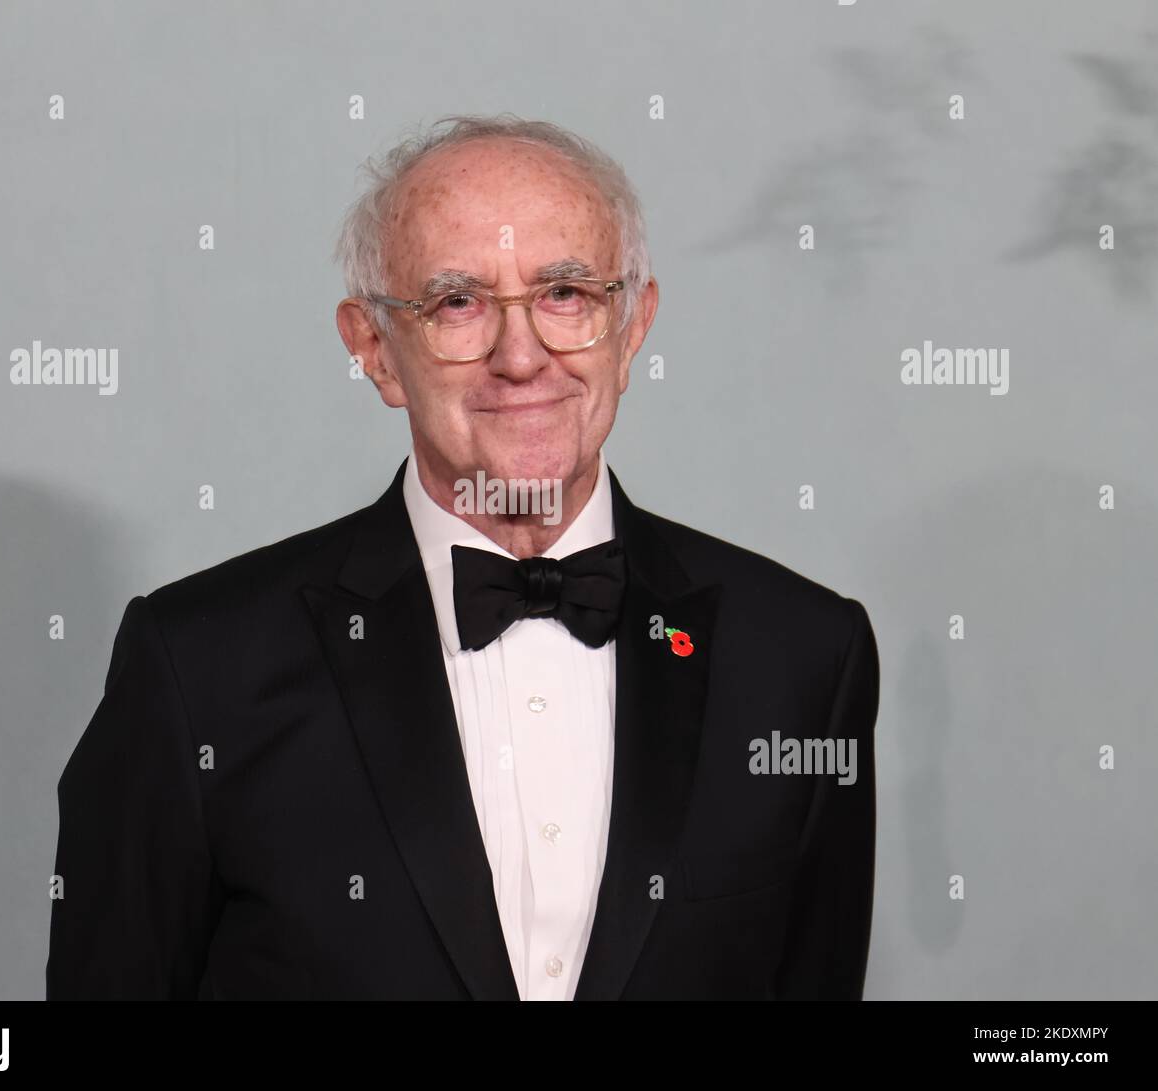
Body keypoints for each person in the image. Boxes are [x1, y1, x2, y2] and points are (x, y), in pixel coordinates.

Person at [47, 113, 880, 1000]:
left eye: (566, 293)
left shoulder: (803, 658)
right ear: (376, 350)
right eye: (458, 303)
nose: (521, 357)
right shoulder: (196, 669)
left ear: (632, 324)